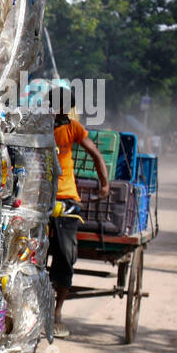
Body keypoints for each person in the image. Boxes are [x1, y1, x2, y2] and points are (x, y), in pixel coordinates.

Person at [49, 91, 109, 338]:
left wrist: (104, 184)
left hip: (66, 199)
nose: (61, 112)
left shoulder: (73, 128)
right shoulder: (38, 126)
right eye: (57, 107)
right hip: (39, 195)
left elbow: (95, 154)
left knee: (65, 254)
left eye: (65, 108)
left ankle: (57, 311)